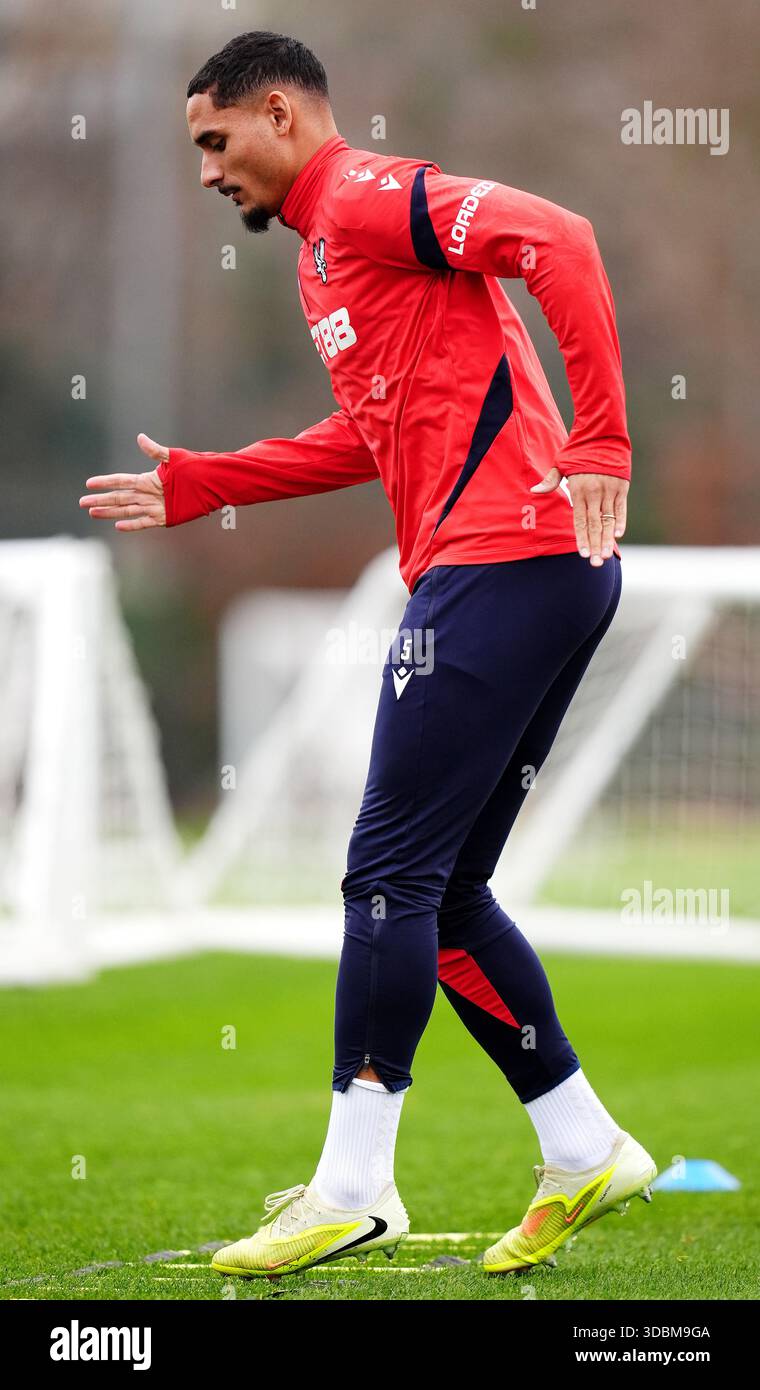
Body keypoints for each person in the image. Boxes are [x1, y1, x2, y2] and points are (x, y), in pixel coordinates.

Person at [81, 30, 656, 1280]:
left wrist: (602, 438)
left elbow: (558, 237)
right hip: (530, 573)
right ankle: (583, 1146)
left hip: (503, 565)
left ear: (279, 113)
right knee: (440, 891)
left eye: (214, 142)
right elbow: (372, 430)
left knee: (385, 875)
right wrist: (203, 484)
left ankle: (352, 1186)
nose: (205, 172)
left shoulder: (362, 193)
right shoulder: (324, 254)